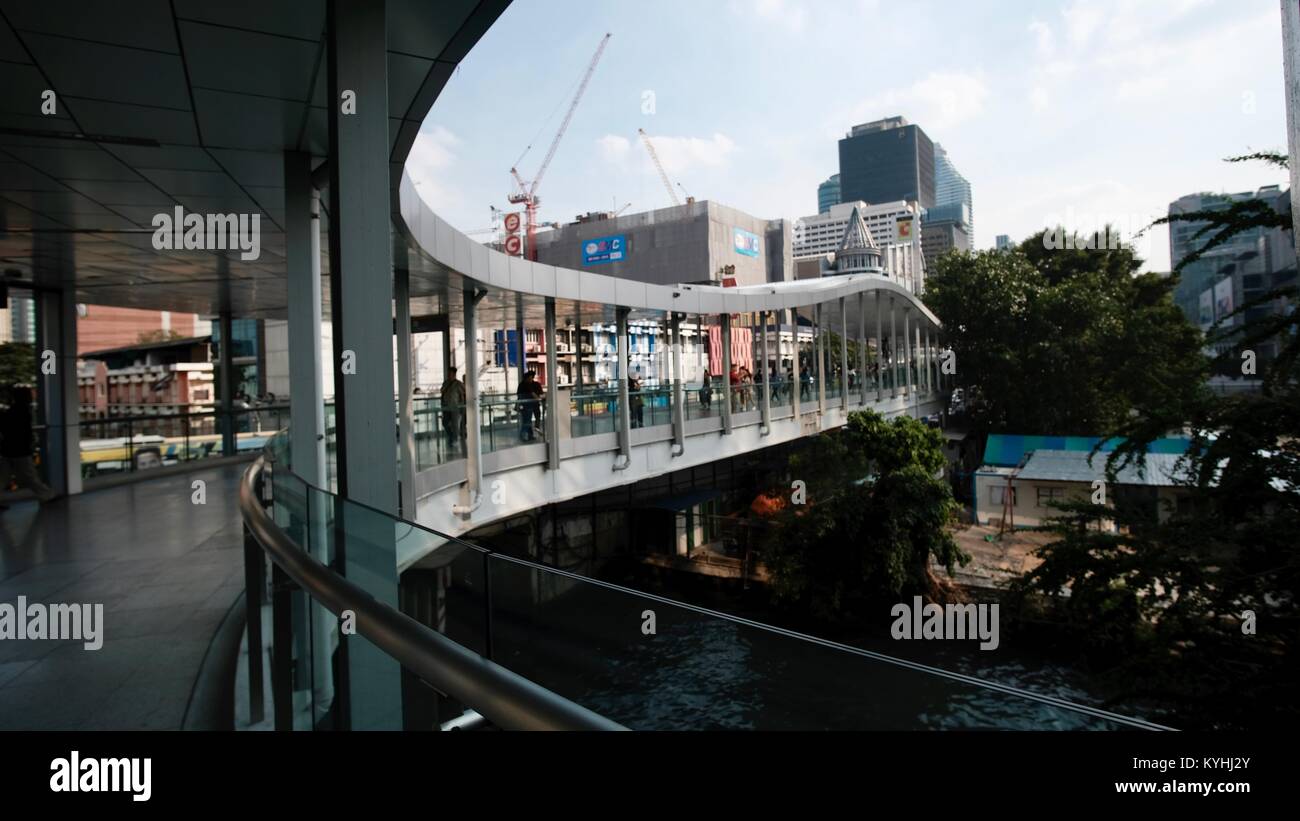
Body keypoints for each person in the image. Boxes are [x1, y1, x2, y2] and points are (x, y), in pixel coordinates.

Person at [0, 385, 57, 504]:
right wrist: (30, 444)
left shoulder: (11, 411)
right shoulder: (23, 411)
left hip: (7, 449)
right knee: (30, 475)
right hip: (20, 450)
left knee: (3, 477)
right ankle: (47, 496)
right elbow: (25, 432)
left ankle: (47, 495)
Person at [440, 367, 466, 454]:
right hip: (446, 407)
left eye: (450, 374)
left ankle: (455, 439)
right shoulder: (446, 383)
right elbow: (442, 391)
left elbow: (463, 394)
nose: (449, 375)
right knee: (445, 422)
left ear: (454, 374)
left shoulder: (458, 384)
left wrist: (462, 406)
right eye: (448, 374)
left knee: (455, 424)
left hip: (455, 407)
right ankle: (451, 436)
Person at [516, 370, 544, 441]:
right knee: (527, 421)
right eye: (529, 378)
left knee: (528, 420)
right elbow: (532, 394)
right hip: (527, 406)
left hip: (529, 405)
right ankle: (523, 435)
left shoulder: (526, 384)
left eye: (531, 377)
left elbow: (519, 396)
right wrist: (538, 399)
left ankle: (530, 435)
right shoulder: (525, 384)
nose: (530, 379)